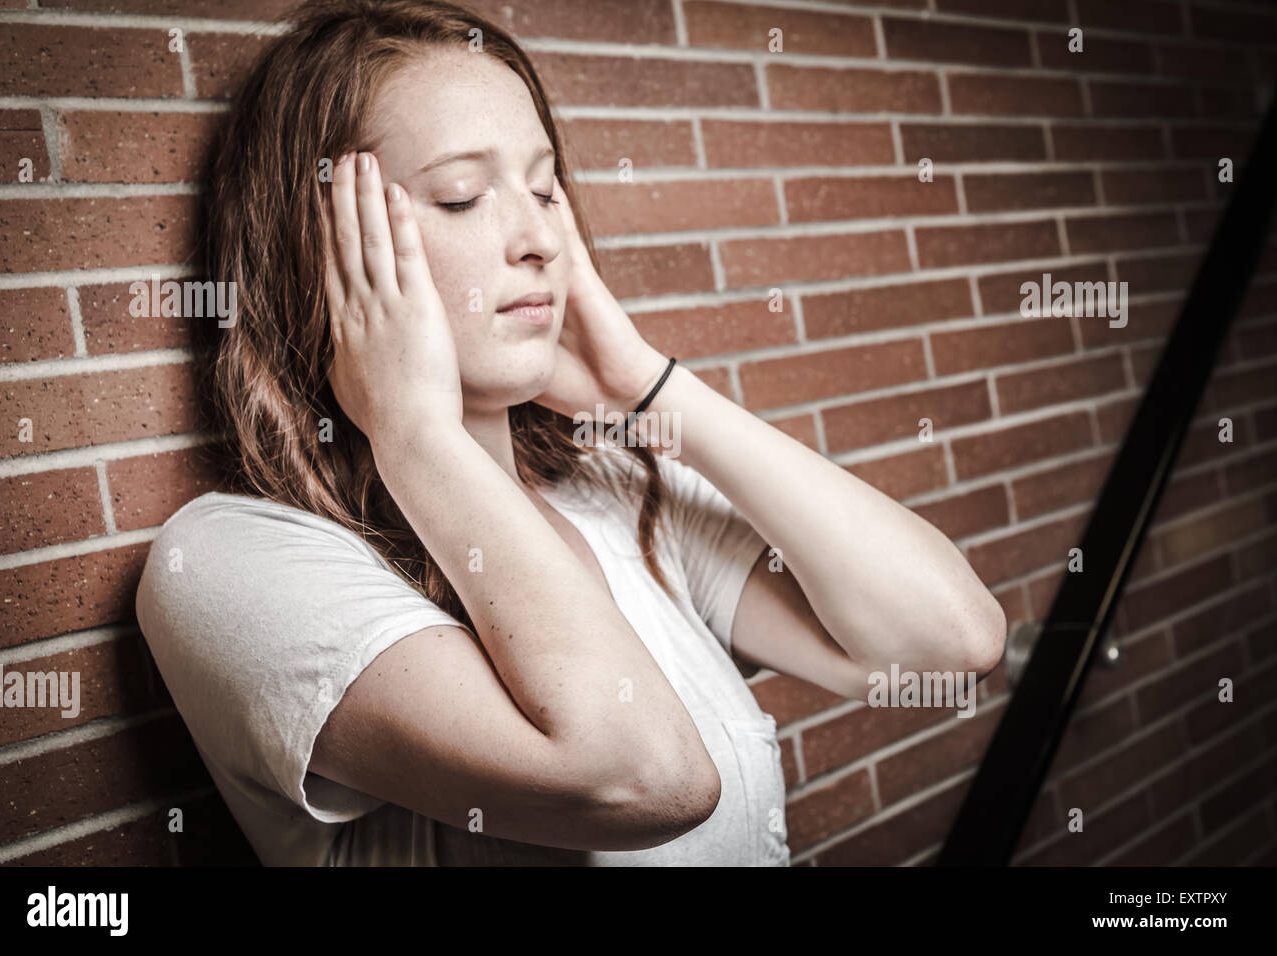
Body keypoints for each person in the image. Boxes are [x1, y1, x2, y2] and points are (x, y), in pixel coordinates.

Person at [134, 0, 1007, 866]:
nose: (541, 238)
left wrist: (648, 390)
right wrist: (414, 434)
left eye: (546, 189)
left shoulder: (613, 493)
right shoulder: (231, 561)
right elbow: (643, 780)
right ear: (319, 251)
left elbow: (952, 642)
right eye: (463, 195)